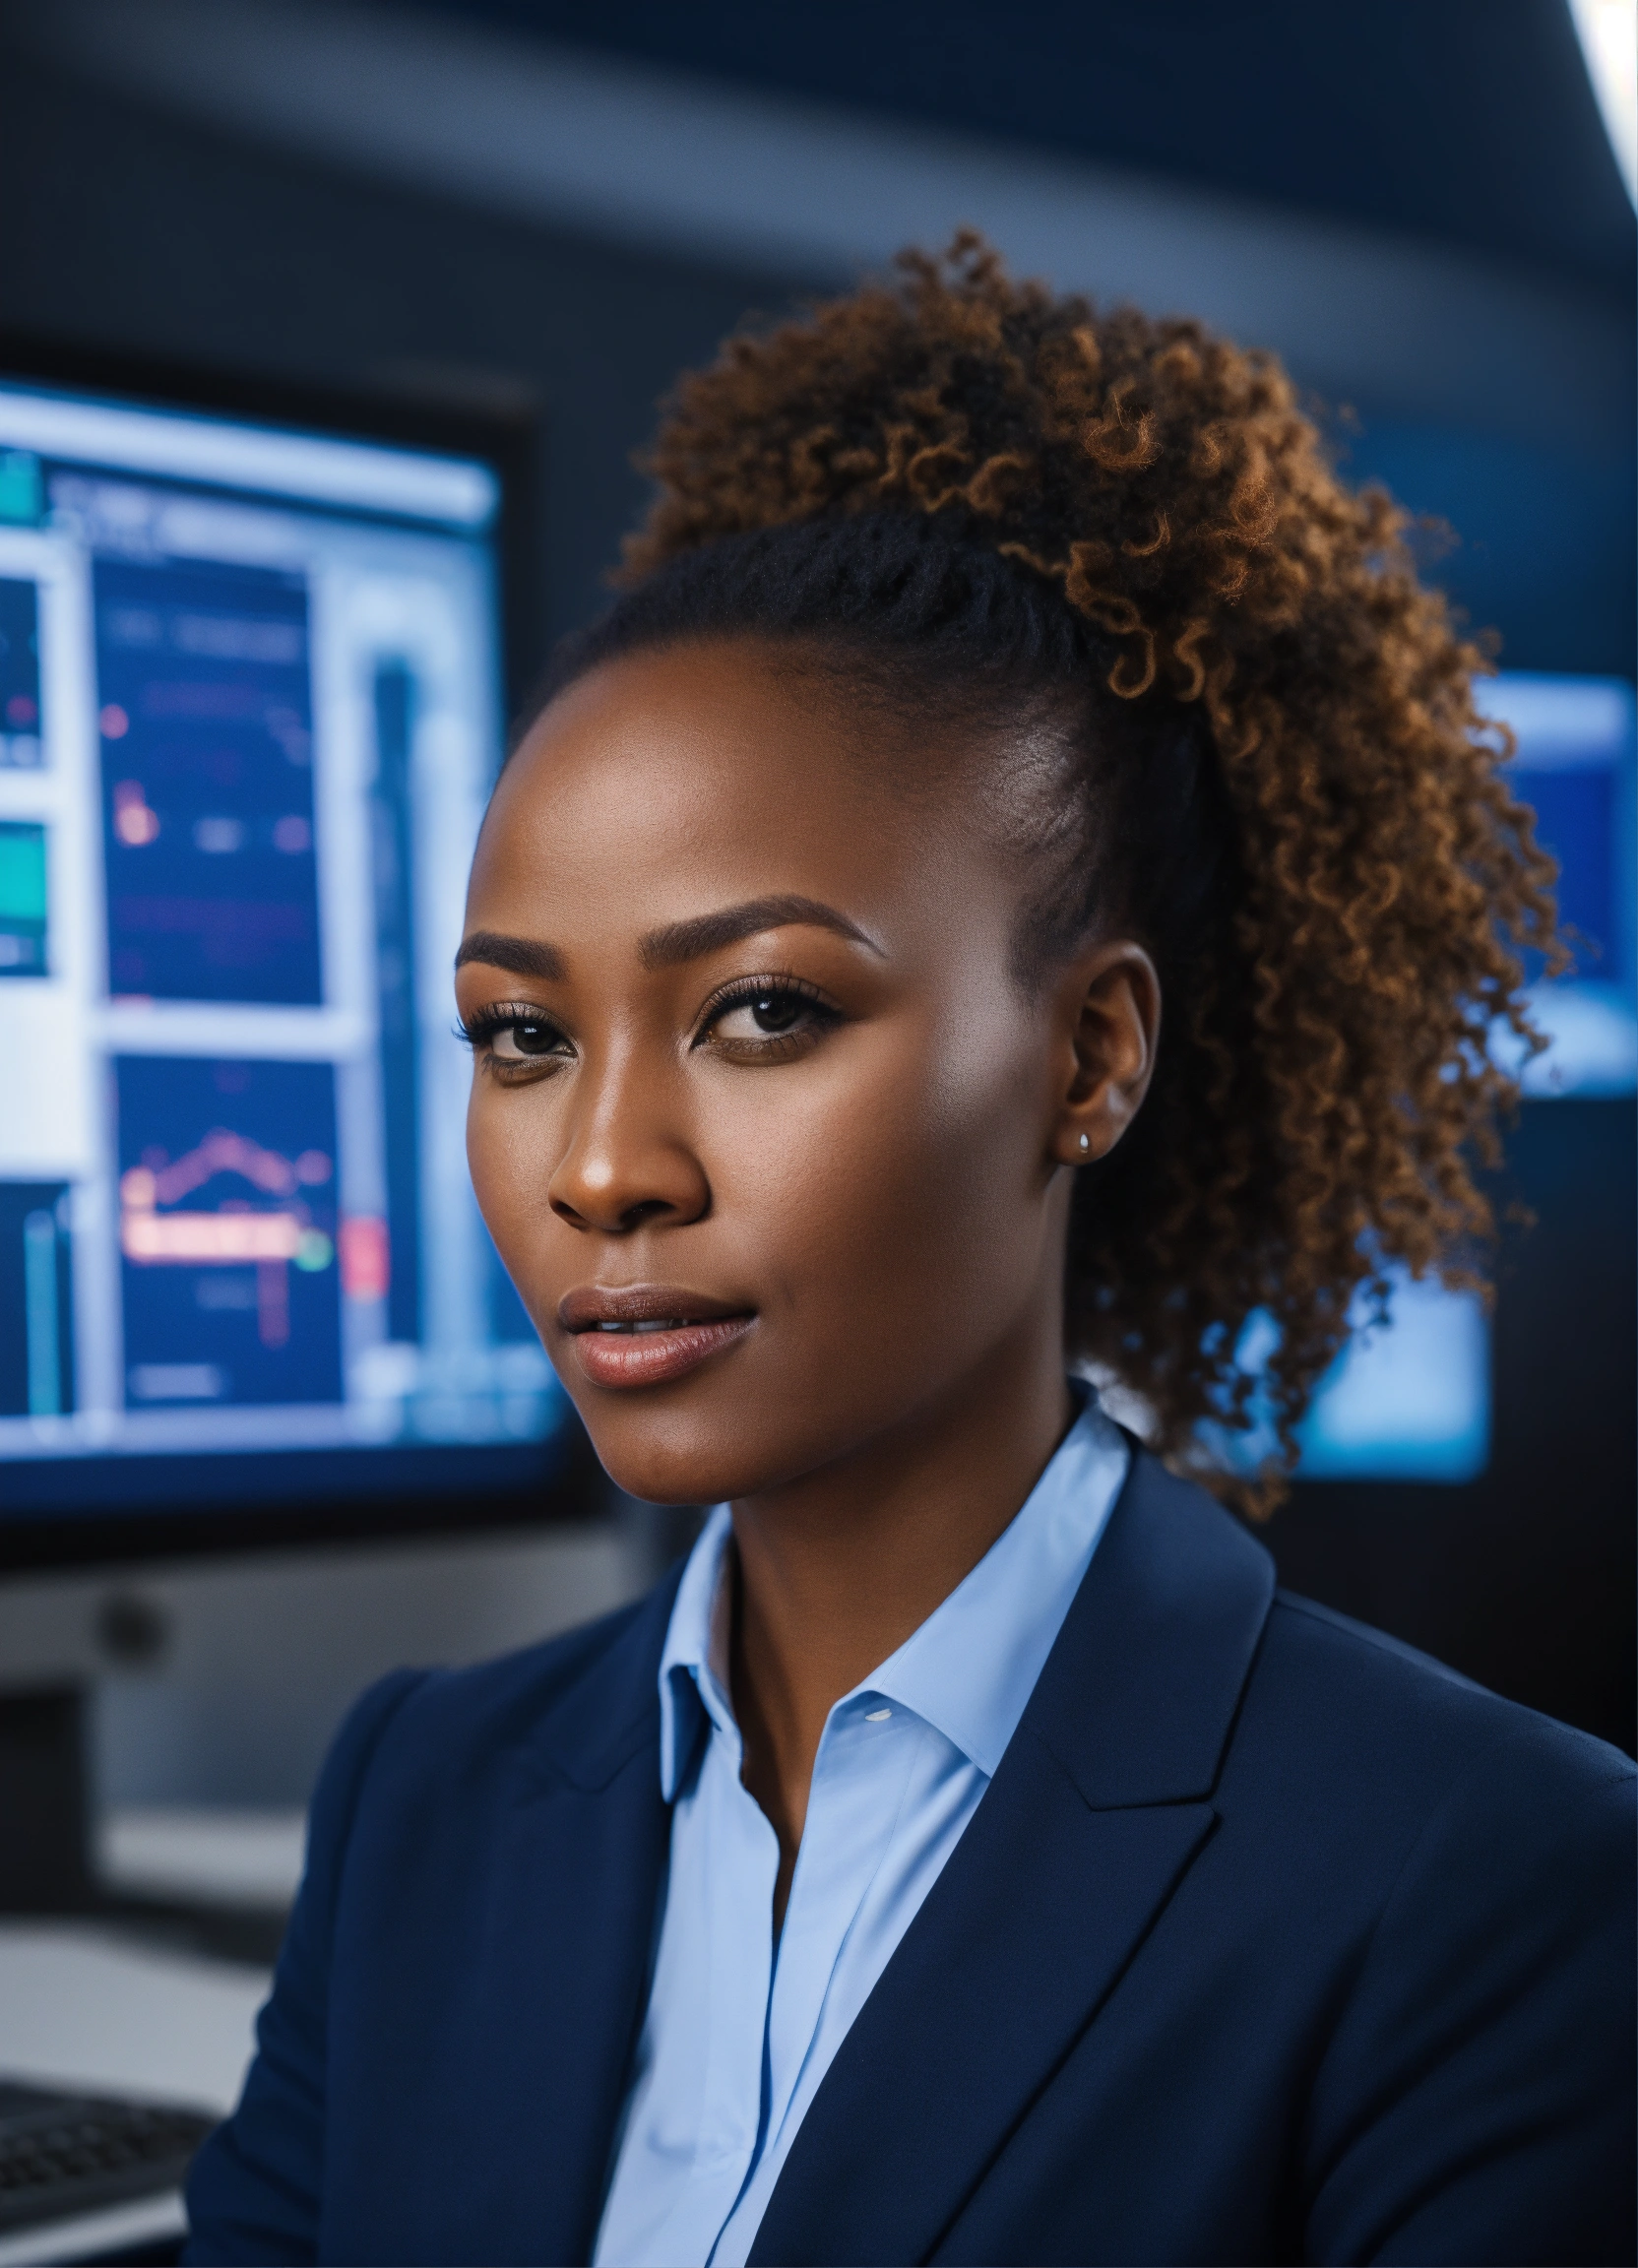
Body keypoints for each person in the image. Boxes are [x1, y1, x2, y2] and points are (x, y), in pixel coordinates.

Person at [183, 238, 1634, 2267]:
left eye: (764, 1011)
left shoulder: (1483, 1877)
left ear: (1086, 1057)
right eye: (523, 1034)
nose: (601, 1167)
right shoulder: (424, 1795)